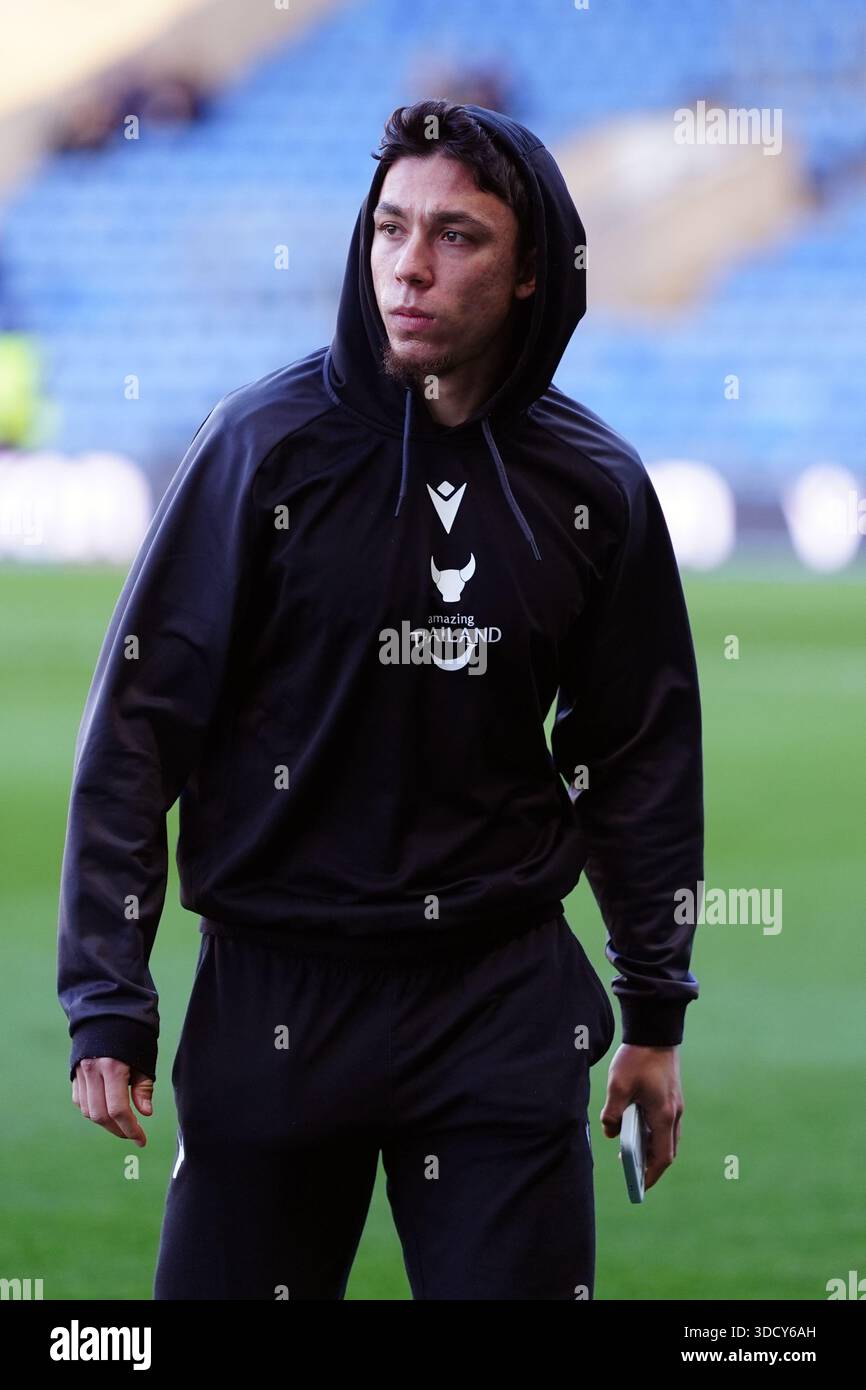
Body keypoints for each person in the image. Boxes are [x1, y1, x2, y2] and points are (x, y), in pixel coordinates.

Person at [57, 99, 703, 1300]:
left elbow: (639, 755)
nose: (409, 264)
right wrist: (108, 995)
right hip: (274, 998)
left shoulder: (593, 486)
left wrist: (652, 1011)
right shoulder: (260, 449)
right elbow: (139, 727)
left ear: (526, 276)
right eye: (390, 228)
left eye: (456, 235)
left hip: (499, 1003)